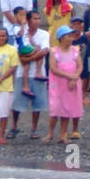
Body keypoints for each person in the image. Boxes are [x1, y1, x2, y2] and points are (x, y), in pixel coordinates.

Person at [12, 11, 52, 139]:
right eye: (35, 18)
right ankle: (14, 126)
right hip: (21, 72)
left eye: (39, 18)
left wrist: (28, 59)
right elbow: (17, 51)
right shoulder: (21, 33)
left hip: (34, 71)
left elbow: (45, 50)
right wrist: (32, 55)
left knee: (37, 103)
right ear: (28, 20)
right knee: (17, 101)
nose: (38, 21)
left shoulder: (44, 34)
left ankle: (34, 129)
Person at [46, 26, 83, 143]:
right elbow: (53, 69)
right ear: (61, 38)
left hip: (71, 84)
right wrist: (69, 76)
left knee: (67, 108)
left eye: (72, 36)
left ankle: (63, 134)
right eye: (68, 36)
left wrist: (75, 77)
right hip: (58, 83)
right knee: (55, 108)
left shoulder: (74, 50)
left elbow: (80, 66)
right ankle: (50, 133)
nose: (71, 39)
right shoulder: (54, 51)